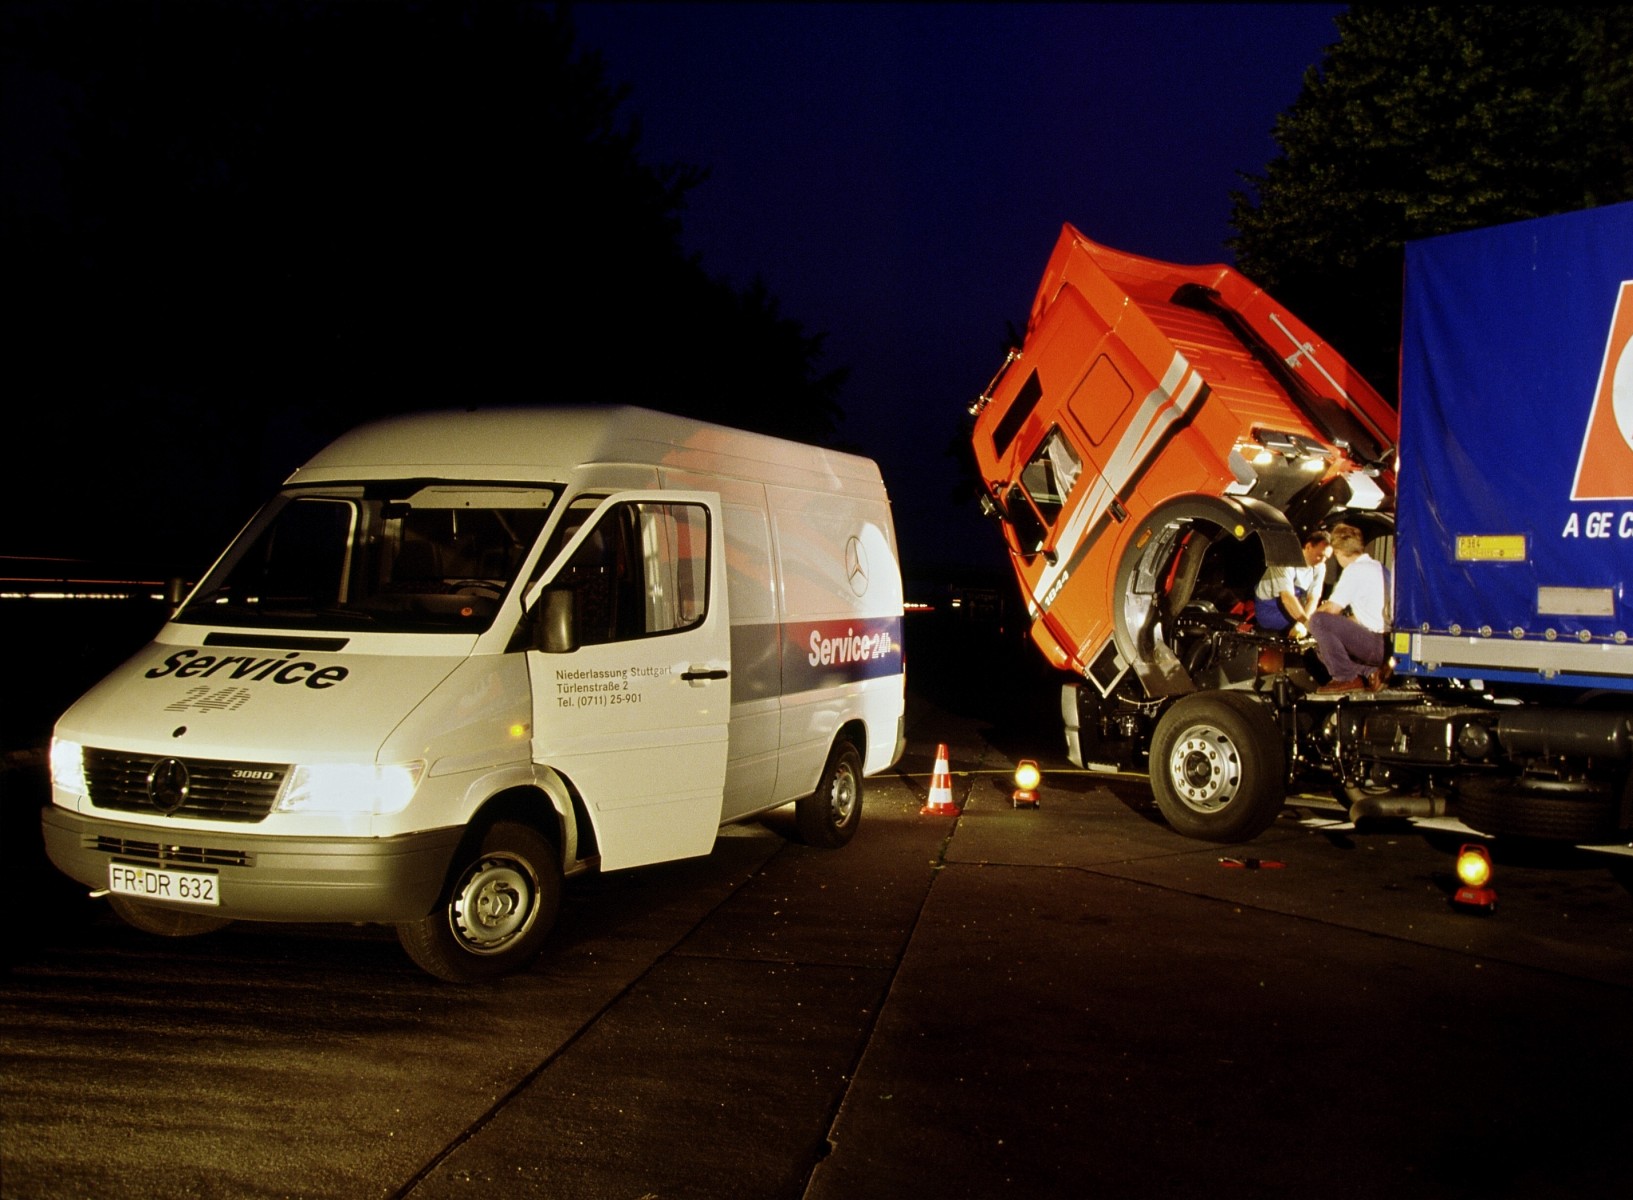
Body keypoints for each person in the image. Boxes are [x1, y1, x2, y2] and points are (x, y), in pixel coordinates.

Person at [1309, 523, 1390, 692]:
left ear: (1337, 552)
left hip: (1376, 644)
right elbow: (1364, 617)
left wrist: (1307, 621)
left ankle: (1346, 678)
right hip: (1388, 644)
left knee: (1318, 621)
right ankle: (1372, 673)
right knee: (1322, 649)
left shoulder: (1354, 570)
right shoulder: (1378, 567)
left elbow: (1332, 610)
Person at [1253, 529, 1331, 636]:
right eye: (1320, 555)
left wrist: (1303, 624)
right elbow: (1287, 597)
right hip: (1269, 610)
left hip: (1293, 606)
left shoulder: (1320, 567)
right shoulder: (1285, 560)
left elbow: (1313, 598)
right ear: (1308, 547)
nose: (1323, 560)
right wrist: (1305, 623)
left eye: (1326, 557)